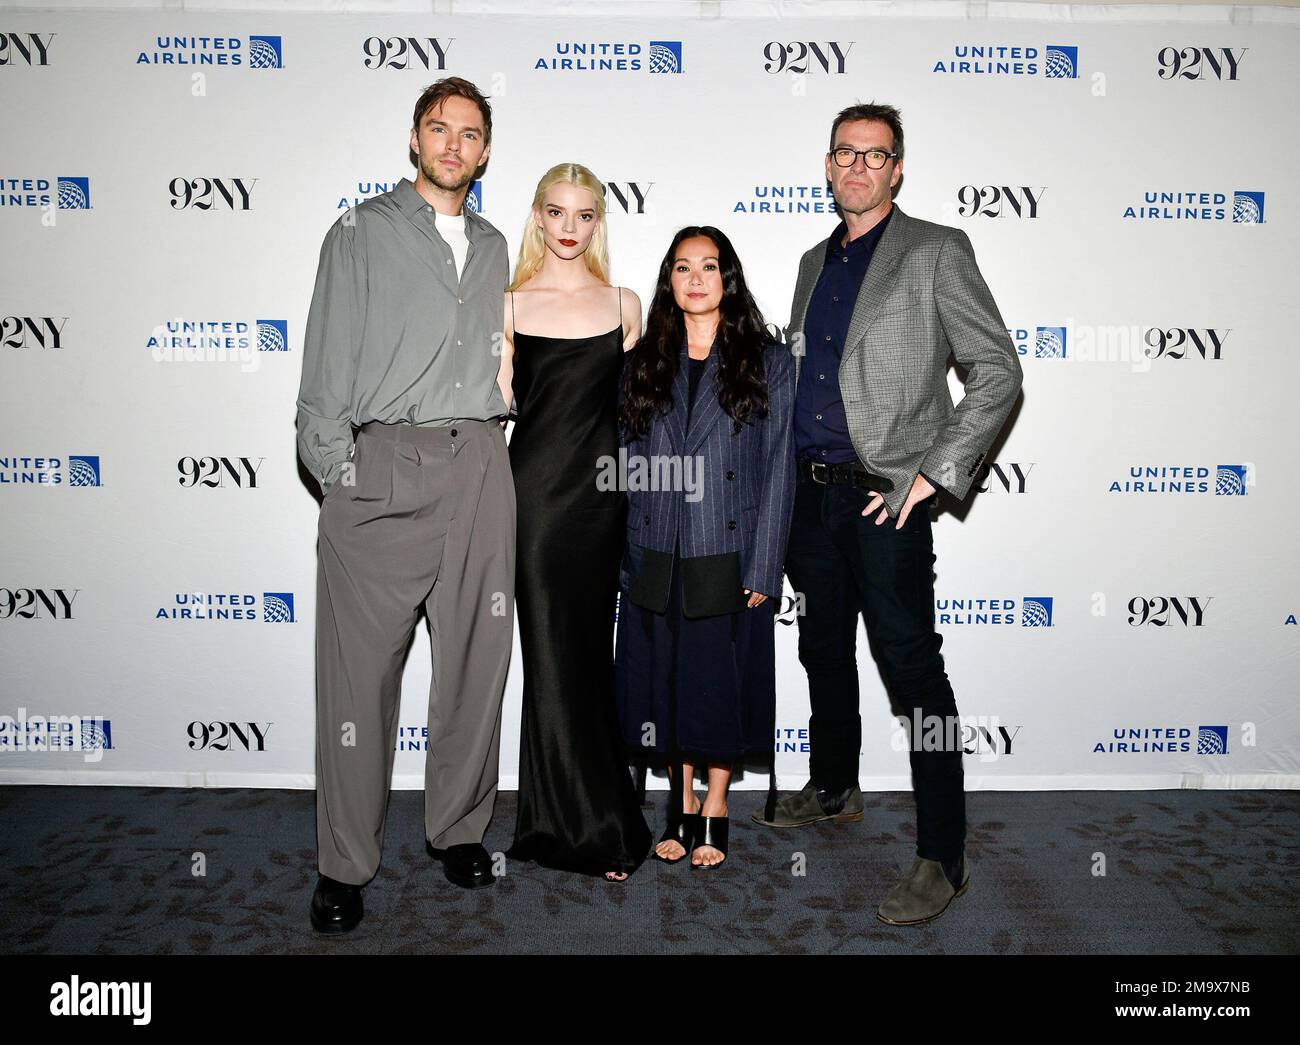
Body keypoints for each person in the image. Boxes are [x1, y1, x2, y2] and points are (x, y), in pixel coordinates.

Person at [753, 101, 1023, 925]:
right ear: (828, 165)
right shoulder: (810, 261)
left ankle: (945, 853)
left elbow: (997, 371)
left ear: (898, 168)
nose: (859, 168)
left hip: (885, 500)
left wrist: (930, 477)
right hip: (811, 494)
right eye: (846, 154)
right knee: (823, 648)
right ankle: (836, 785)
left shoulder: (936, 250)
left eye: (876, 156)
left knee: (913, 673)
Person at [297, 77, 515, 934]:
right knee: (357, 683)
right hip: (383, 465)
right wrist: (341, 478)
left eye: (470, 133)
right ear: (415, 140)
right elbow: (322, 375)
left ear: (485, 150)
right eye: (439, 129)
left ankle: (459, 829)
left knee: (474, 667)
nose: (454, 145)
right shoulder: (360, 233)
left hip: (482, 468)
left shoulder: (502, 245)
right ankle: (344, 863)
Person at [615, 226, 795, 869]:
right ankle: (680, 801)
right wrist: (627, 551)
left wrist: (766, 562)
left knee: (717, 685)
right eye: (683, 267)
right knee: (667, 682)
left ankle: (716, 804)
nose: (696, 279)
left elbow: (779, 469)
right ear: (669, 279)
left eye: (709, 267)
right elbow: (627, 457)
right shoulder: (641, 360)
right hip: (657, 545)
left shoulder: (767, 360)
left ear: (729, 279)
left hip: (729, 545)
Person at [497, 163, 651, 882]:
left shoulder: (625, 302)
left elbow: (631, 411)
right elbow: (501, 403)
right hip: (531, 498)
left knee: (592, 653)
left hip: (599, 500)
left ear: (598, 222)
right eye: (555, 212)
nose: (568, 227)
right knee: (550, 655)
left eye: (583, 215)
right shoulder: (507, 303)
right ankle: (557, 820)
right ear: (536, 217)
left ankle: (600, 815)